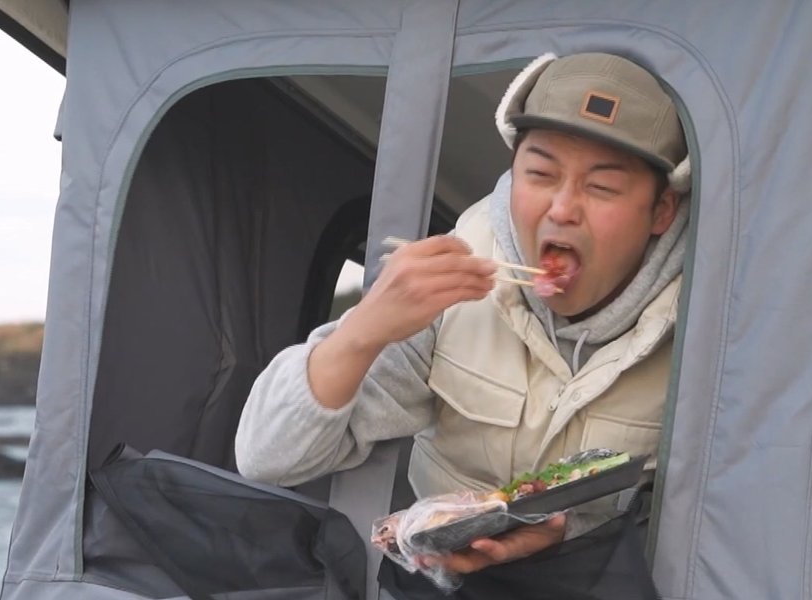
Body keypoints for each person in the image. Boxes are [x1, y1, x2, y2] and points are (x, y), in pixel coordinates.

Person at [235, 51, 691, 574]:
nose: (562, 209)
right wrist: (363, 329)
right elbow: (267, 458)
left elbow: (724, 525)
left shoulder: (711, 326)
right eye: (540, 173)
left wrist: (570, 534)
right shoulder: (454, 286)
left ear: (661, 210)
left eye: (602, 187)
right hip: (435, 581)